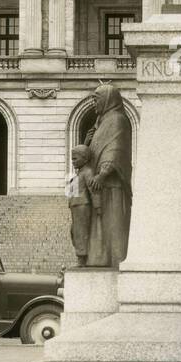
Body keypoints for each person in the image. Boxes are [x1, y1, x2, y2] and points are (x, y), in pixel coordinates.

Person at [84, 83, 133, 268]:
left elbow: (115, 149)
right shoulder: (103, 122)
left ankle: (115, 261)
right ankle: (101, 259)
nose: (94, 104)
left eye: (96, 100)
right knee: (100, 229)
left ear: (107, 100)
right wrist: (87, 141)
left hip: (111, 186)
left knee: (113, 226)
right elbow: (92, 153)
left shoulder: (117, 120)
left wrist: (102, 175)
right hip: (99, 187)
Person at [67, 145, 101, 267]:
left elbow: (93, 190)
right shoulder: (78, 173)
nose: (73, 161)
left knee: (80, 232)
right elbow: (71, 192)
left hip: (82, 206)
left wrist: (98, 206)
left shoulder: (88, 172)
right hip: (75, 206)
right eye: (72, 159)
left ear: (85, 159)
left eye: (75, 159)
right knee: (74, 232)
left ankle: (82, 258)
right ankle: (80, 255)